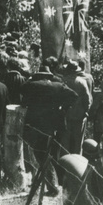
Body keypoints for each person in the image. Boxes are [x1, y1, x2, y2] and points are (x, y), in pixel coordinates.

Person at [19, 66, 78, 197]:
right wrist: (63, 108)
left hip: (36, 124)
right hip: (53, 125)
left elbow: (23, 95)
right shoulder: (58, 86)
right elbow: (74, 95)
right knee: (50, 154)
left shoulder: (32, 85)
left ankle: (51, 186)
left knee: (39, 154)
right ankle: (51, 184)